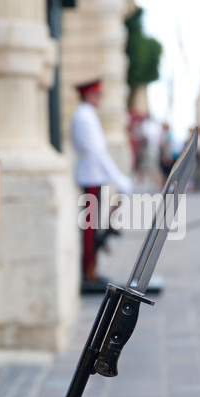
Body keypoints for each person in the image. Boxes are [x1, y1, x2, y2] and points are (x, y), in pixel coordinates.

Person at [71, 79, 133, 294]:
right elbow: (97, 153)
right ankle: (89, 272)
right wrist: (118, 178)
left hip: (93, 176)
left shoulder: (87, 115)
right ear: (88, 95)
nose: (100, 99)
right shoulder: (84, 116)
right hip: (90, 177)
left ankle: (92, 270)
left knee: (93, 227)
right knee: (90, 230)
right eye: (97, 95)